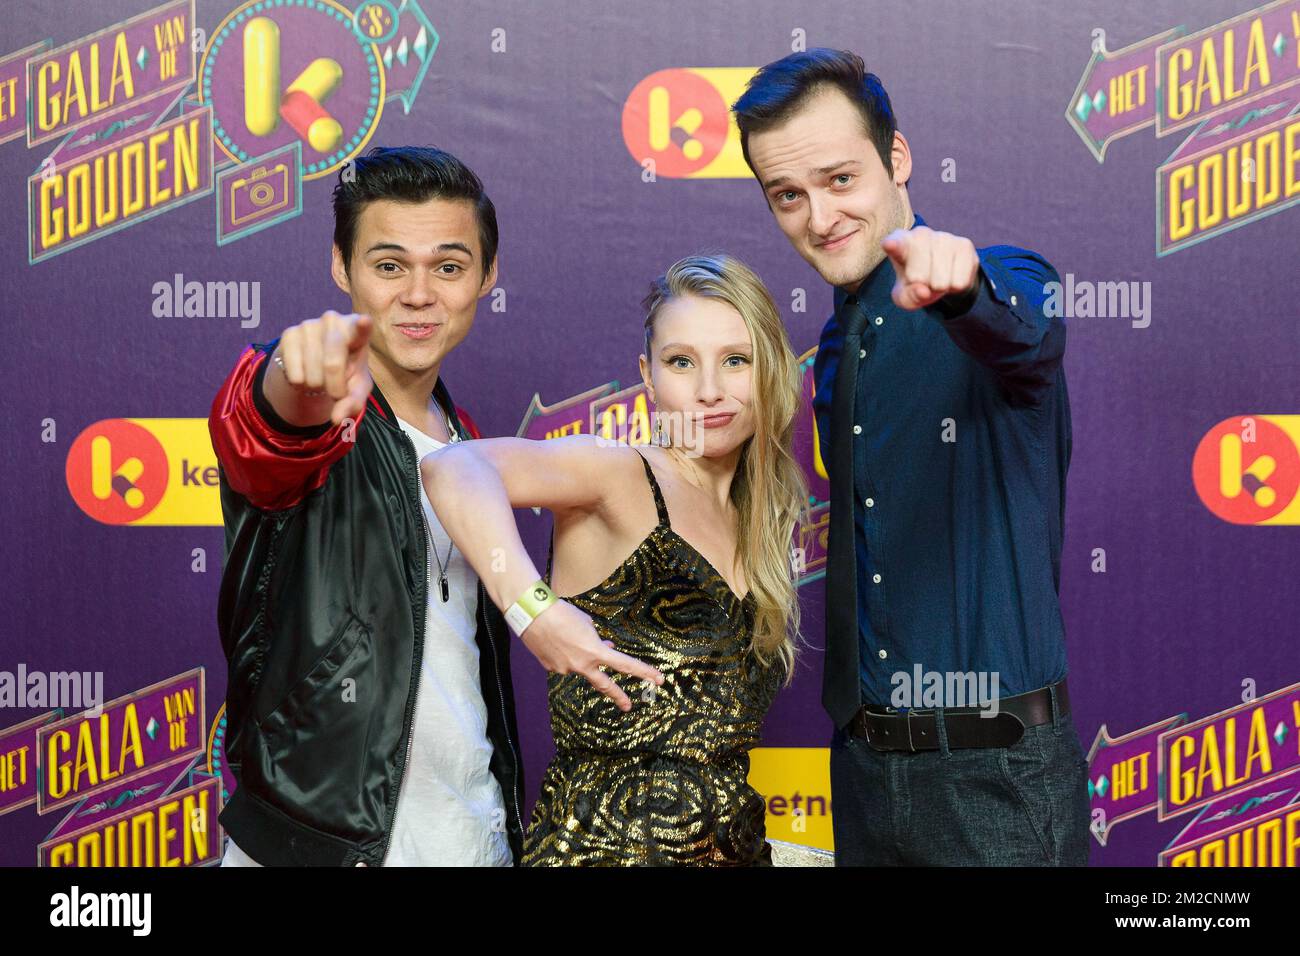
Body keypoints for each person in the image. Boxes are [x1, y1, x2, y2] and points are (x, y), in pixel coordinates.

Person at [732, 49, 1090, 865]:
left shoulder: (1001, 278)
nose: (820, 217)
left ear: (896, 157)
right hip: (863, 778)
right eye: (788, 195)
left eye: (840, 179)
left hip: (995, 781)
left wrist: (963, 291)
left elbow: (1027, 328)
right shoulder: (833, 349)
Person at [421, 254, 809, 865]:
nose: (710, 389)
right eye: (682, 362)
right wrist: (533, 610)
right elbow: (453, 467)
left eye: (737, 359)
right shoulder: (618, 473)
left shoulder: (757, 518)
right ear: (648, 376)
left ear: (770, 370)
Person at [211, 145, 539, 866]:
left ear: (487, 275)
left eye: (448, 267)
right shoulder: (319, 412)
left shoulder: (468, 442)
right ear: (342, 267)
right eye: (389, 266)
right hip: (325, 847)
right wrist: (294, 377)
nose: (418, 294)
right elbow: (270, 421)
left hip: (474, 836)